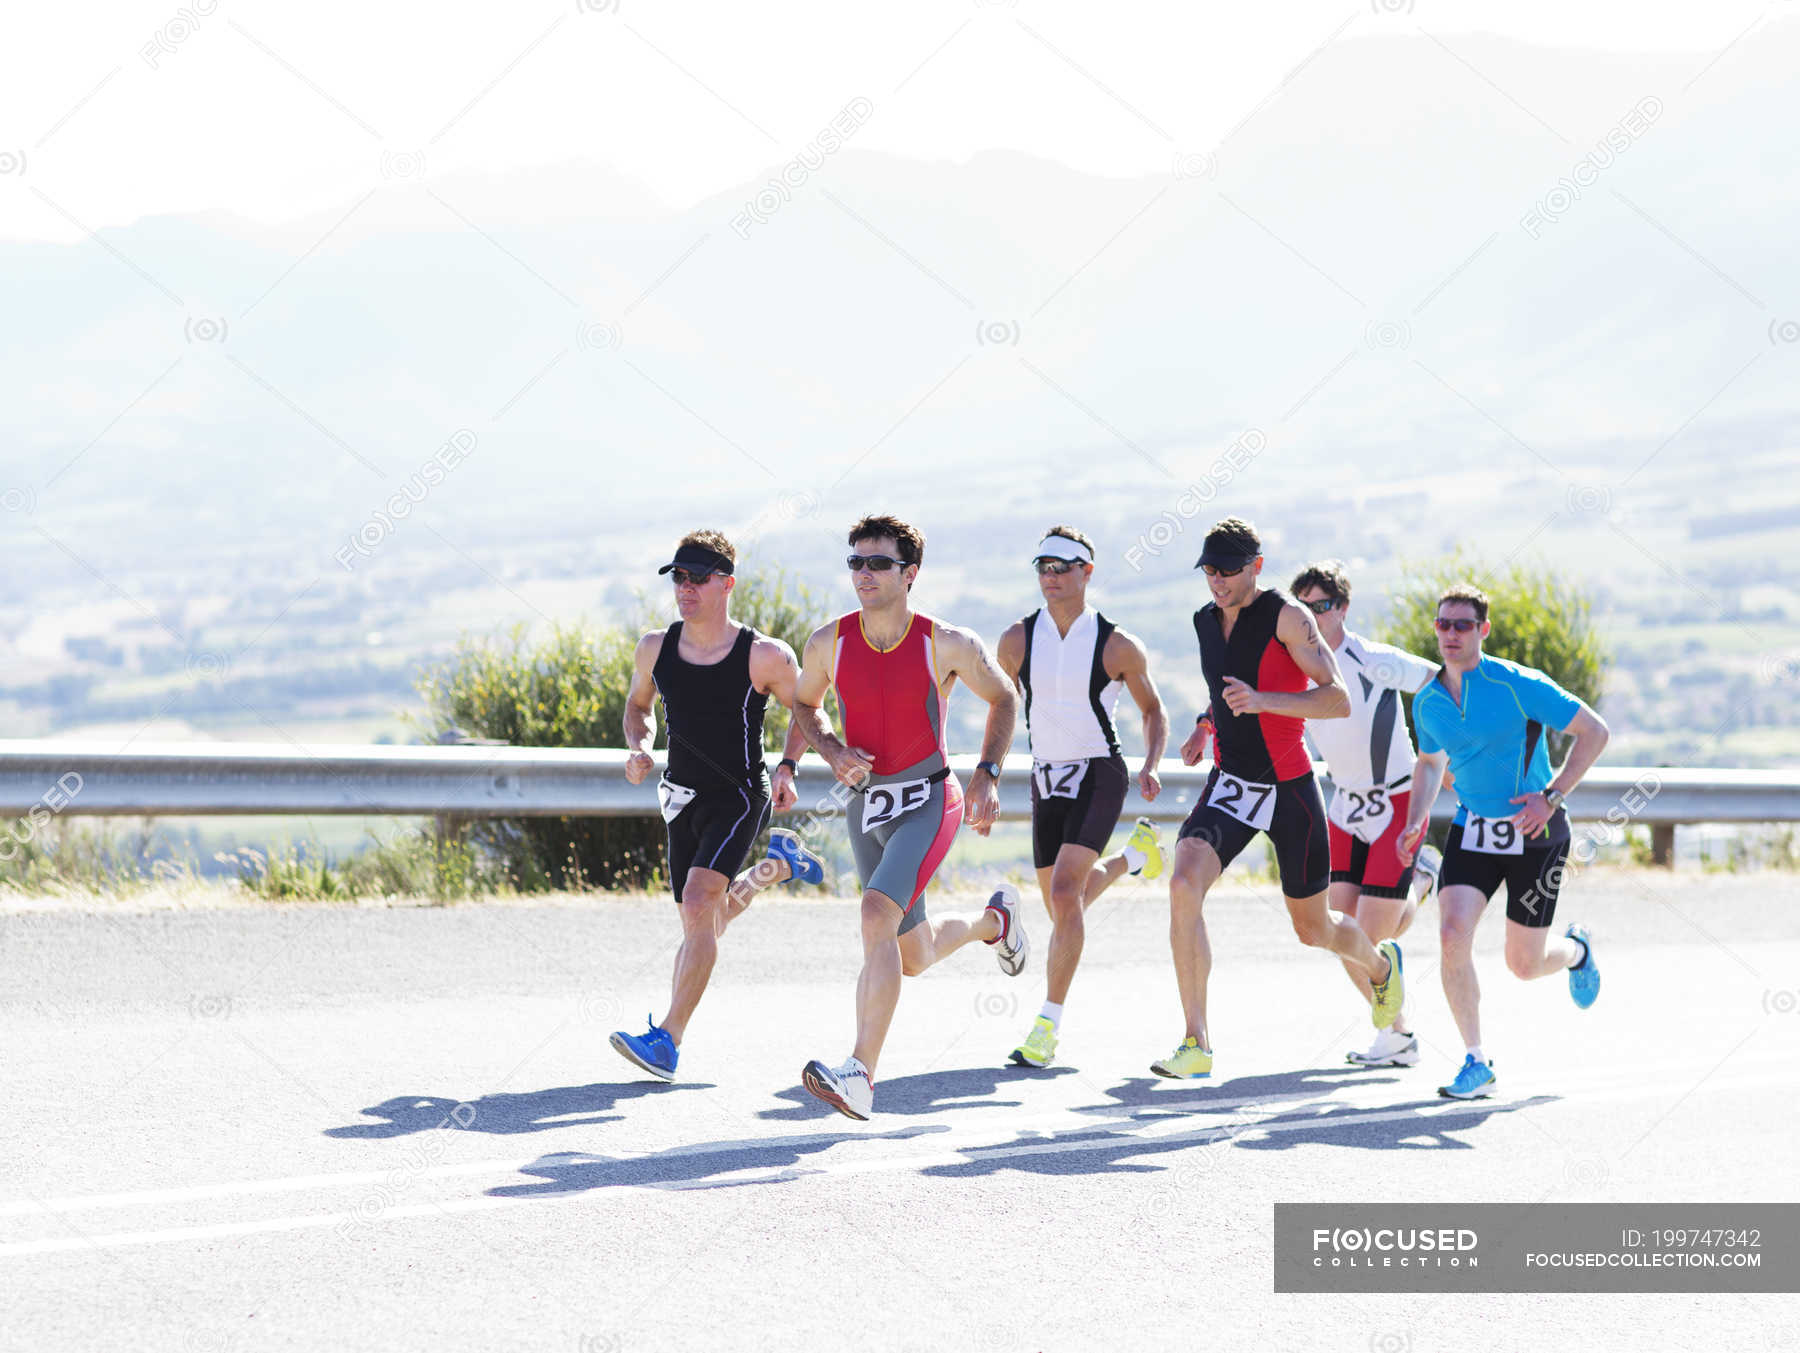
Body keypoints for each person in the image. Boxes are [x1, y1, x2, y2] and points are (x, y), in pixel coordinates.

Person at [786, 514, 1026, 1120]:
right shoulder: (828, 642)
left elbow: (1005, 697)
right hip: (867, 803)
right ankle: (994, 922)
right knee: (910, 953)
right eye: (855, 562)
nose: (863, 574)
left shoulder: (946, 641)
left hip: (927, 799)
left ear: (909, 573)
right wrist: (832, 750)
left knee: (874, 916)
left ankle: (860, 1073)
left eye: (878, 563)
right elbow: (804, 704)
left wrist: (986, 775)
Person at [1155, 517, 1405, 1080]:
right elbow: (1227, 683)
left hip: (1289, 787)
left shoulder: (1289, 617)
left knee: (1312, 929)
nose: (1216, 581)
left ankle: (1380, 967)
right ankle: (1196, 1042)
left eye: (1228, 570)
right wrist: (1205, 723)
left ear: (1256, 567)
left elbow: (1337, 700)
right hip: (1232, 784)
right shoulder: (1204, 621)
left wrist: (1263, 701)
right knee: (1182, 882)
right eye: (1209, 570)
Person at [609, 530, 825, 1082]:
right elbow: (637, 707)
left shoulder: (764, 655)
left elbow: (806, 707)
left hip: (737, 795)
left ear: (726, 583)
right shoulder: (654, 647)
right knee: (704, 920)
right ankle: (773, 869)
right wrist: (638, 746)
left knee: (701, 900)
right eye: (678, 577)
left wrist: (788, 766)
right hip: (680, 797)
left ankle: (667, 1040)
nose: (685, 588)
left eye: (697, 578)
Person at [1396, 582, 1608, 1100]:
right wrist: (1415, 820)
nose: (1450, 633)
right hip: (1473, 832)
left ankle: (1576, 951)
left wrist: (1552, 796)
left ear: (1482, 631)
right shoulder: (1426, 702)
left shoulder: (1517, 683)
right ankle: (1475, 1059)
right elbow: (1429, 764)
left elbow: (1595, 732)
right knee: (1451, 935)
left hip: (1536, 835)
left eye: (1462, 624)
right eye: (1443, 624)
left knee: (1524, 965)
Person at [995, 525, 1169, 1069]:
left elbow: (1153, 710)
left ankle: (1047, 1025)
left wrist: (1152, 763)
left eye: (1062, 567)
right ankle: (1135, 858)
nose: (1050, 576)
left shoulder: (1117, 644)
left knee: (1066, 896)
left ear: (1086, 572)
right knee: (1061, 906)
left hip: (1099, 771)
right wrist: (989, 772)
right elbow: (1002, 707)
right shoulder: (1016, 640)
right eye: (1042, 566)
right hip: (1045, 776)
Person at [1290, 560, 1444, 1070]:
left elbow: (1442, 684)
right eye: (1304, 608)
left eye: (1324, 606)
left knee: (1375, 935)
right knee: (1340, 932)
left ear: (1343, 608)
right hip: (1344, 805)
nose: (1314, 616)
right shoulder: (1295, 664)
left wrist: (1438, 754)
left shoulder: (1373, 659)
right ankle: (1397, 1034)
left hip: (1396, 802)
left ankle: (1423, 878)